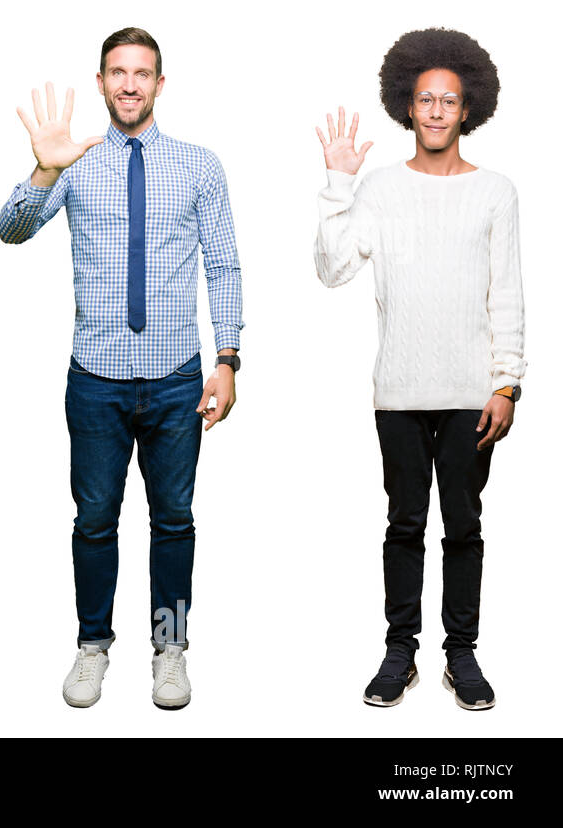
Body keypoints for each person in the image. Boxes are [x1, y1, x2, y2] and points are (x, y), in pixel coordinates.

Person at [0, 27, 243, 709]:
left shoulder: (200, 166)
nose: (129, 84)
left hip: (175, 380)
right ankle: (92, 645)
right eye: (117, 72)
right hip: (95, 380)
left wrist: (228, 360)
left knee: (174, 520)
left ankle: (170, 647)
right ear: (101, 82)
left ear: (161, 84)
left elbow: (223, 264)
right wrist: (45, 169)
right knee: (94, 520)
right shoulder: (72, 162)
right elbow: (10, 230)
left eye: (142, 73)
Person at [314, 28, 522, 711]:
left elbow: (506, 292)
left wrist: (506, 381)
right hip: (399, 391)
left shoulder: (495, 192)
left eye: (449, 100)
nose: (435, 110)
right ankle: (400, 650)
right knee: (405, 523)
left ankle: (460, 654)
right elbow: (333, 269)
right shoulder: (377, 188)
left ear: (469, 109)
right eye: (424, 99)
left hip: (472, 392)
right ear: (407, 105)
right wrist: (339, 182)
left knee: (463, 524)